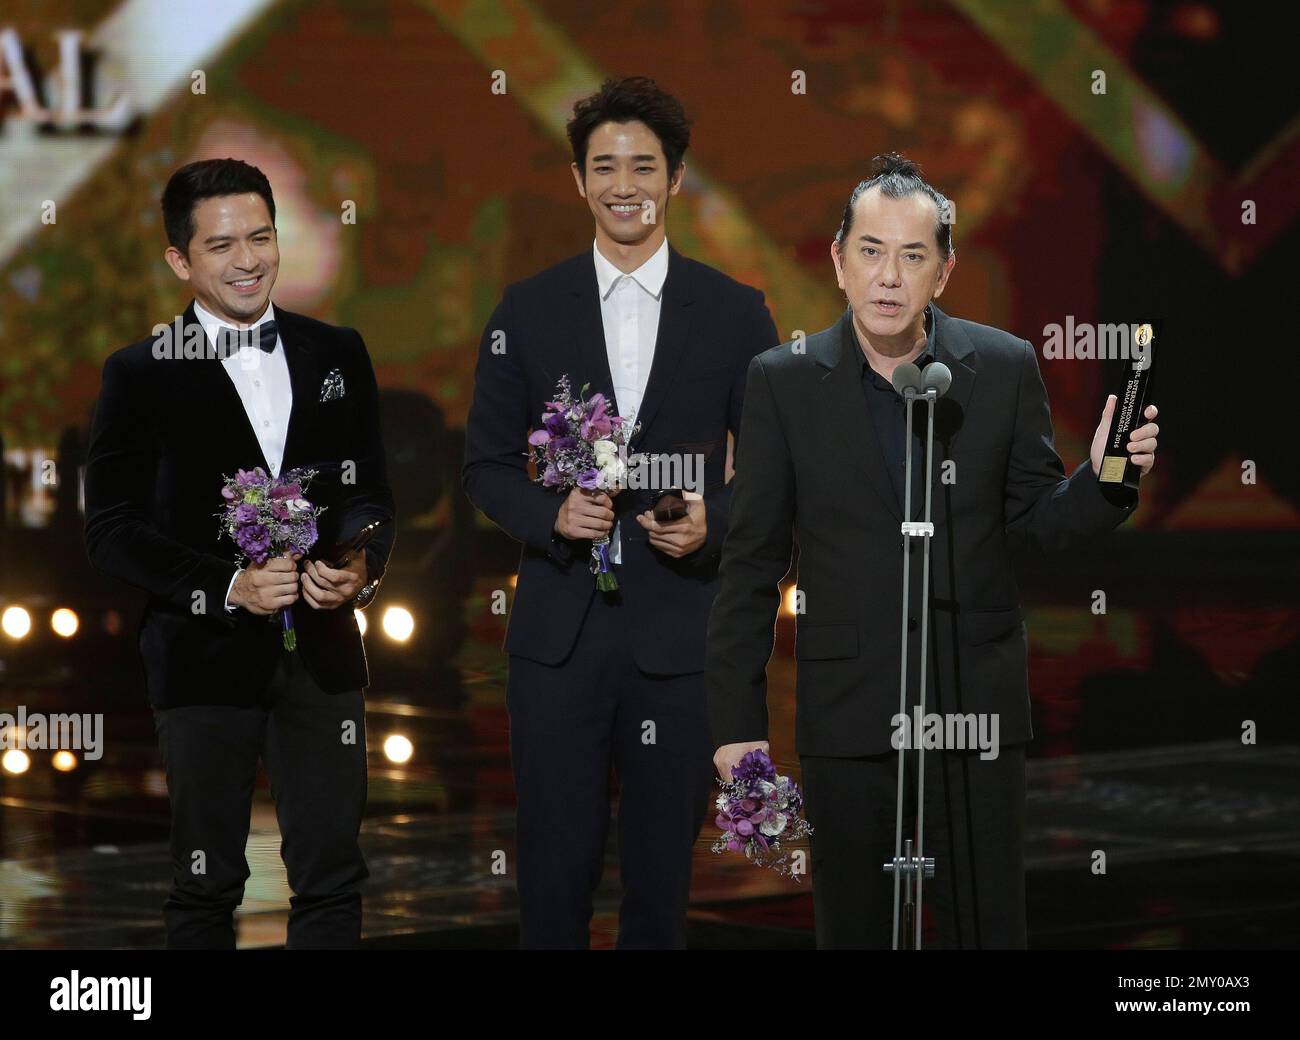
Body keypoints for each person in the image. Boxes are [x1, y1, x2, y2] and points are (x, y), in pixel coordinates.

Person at [706, 153, 1161, 949]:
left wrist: (1109, 476)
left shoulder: (1003, 367)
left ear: (944, 272)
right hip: (848, 716)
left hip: (973, 712)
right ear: (839, 260)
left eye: (913, 255)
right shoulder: (782, 381)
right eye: (872, 251)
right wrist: (739, 728)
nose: (889, 276)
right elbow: (750, 565)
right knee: (857, 931)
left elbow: (1040, 526)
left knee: (984, 931)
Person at [462, 77, 778, 948]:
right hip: (558, 641)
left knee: (661, 886)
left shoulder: (735, 311)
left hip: (680, 639)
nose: (624, 182)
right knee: (552, 879)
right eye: (605, 166)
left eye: (645, 164)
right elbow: (485, 468)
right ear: (579, 182)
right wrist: (552, 516)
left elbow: (774, 472)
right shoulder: (527, 309)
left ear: (676, 179)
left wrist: (714, 518)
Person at [84, 158, 395, 948]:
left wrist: (360, 564)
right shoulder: (139, 372)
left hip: (324, 658)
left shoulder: (337, 351)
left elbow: (369, 491)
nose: (249, 259)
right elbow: (110, 527)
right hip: (202, 660)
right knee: (205, 886)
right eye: (222, 246)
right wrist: (228, 587)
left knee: (332, 879)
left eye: (262, 236)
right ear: (180, 262)